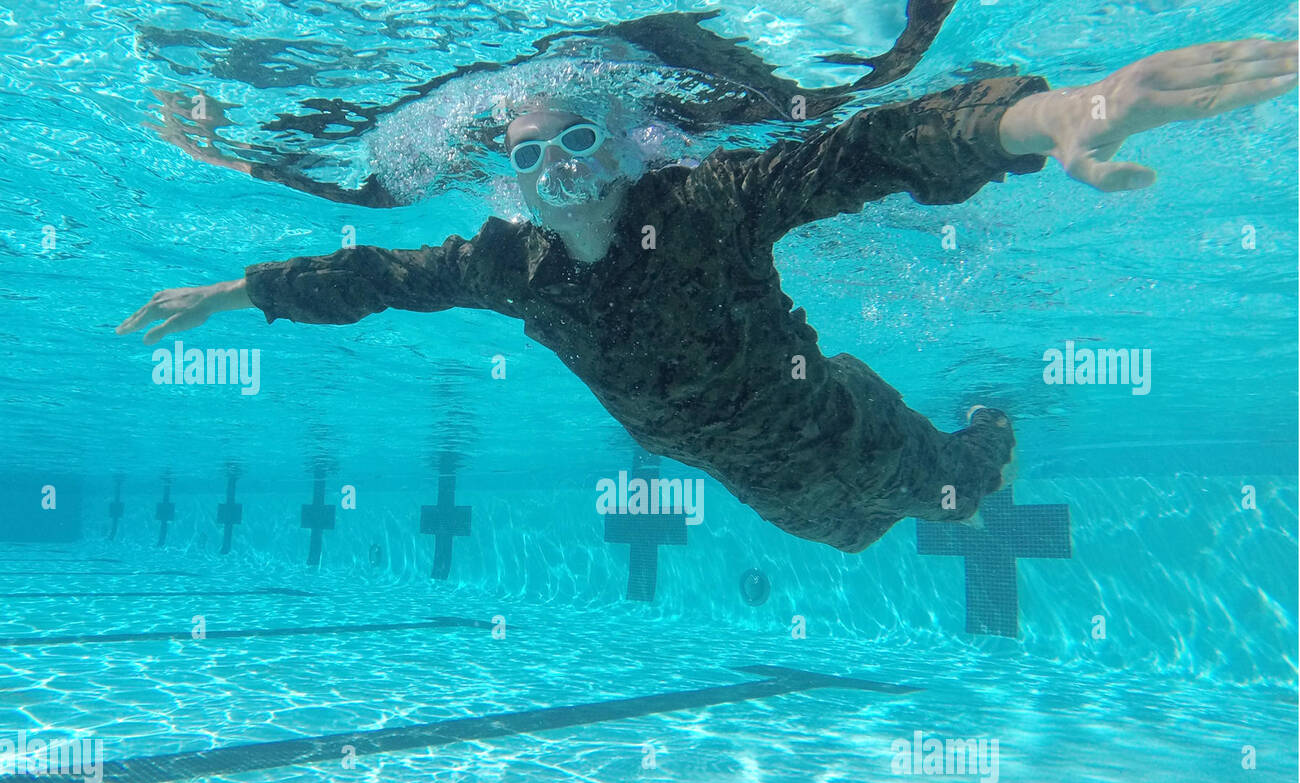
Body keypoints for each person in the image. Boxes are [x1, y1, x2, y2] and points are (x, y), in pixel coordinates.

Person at [118, 39, 1297, 552]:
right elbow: (375, 276)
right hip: (752, 480)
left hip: (835, 422)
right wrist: (234, 293)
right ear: (507, 181)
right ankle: (972, 450)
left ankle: (994, 438)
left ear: (623, 143)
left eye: (579, 137)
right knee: (845, 532)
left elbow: (866, 151)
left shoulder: (705, 204)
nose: (560, 167)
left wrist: (1049, 117)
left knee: (951, 492)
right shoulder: (503, 263)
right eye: (530, 156)